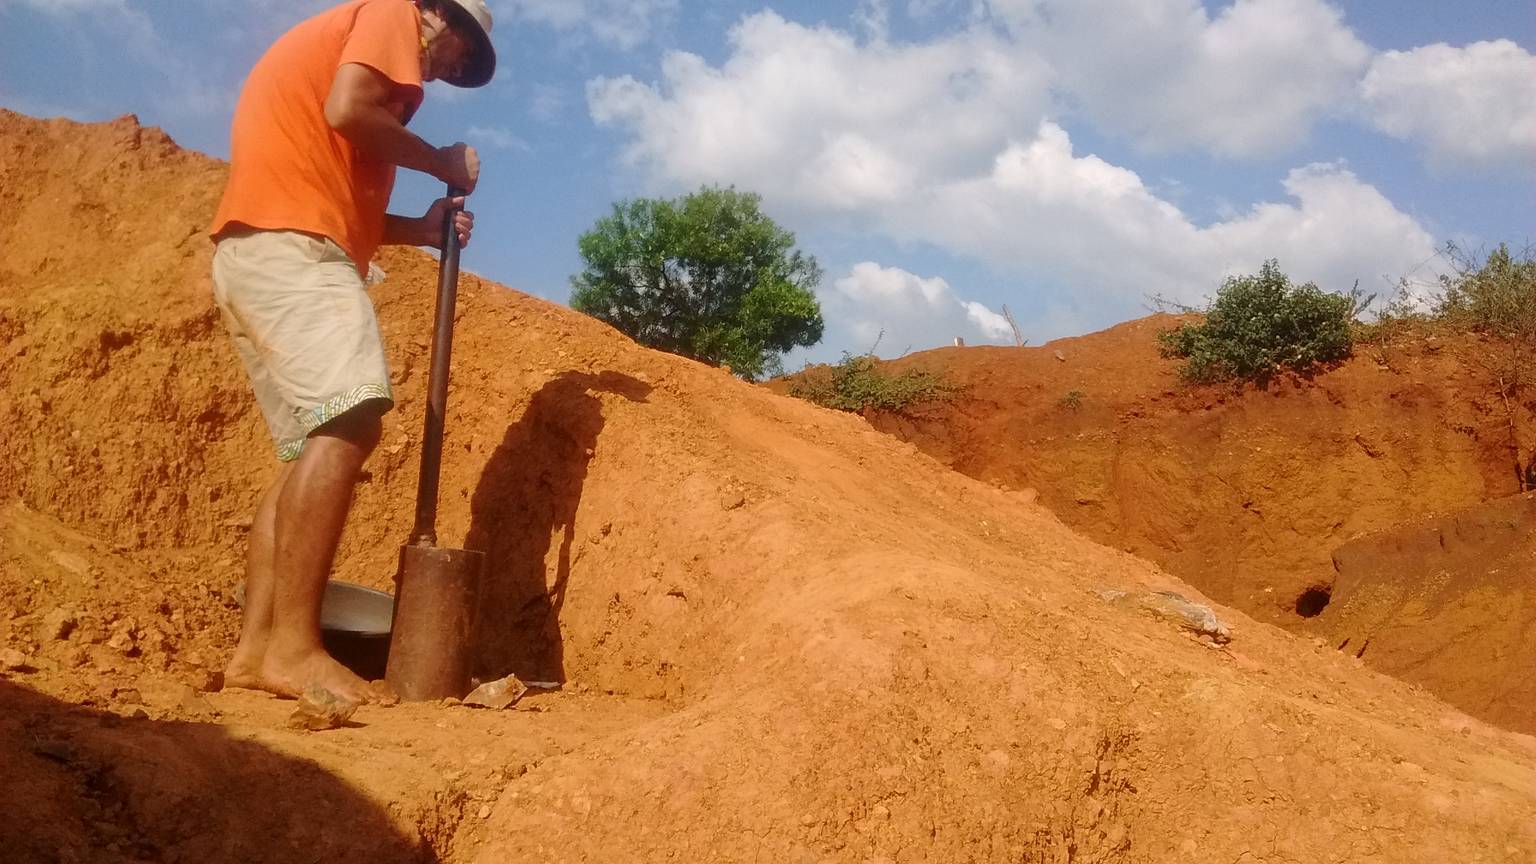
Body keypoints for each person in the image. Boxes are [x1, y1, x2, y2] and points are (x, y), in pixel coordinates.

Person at [208, 0, 496, 703]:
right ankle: (296, 649)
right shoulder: (392, 15)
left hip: (263, 248)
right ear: (437, 14)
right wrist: (438, 161)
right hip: (296, 252)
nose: (452, 70)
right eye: (461, 51)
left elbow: (344, 203)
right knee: (352, 420)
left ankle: (254, 655)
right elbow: (346, 108)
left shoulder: (370, 86)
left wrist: (424, 231)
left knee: (308, 447)